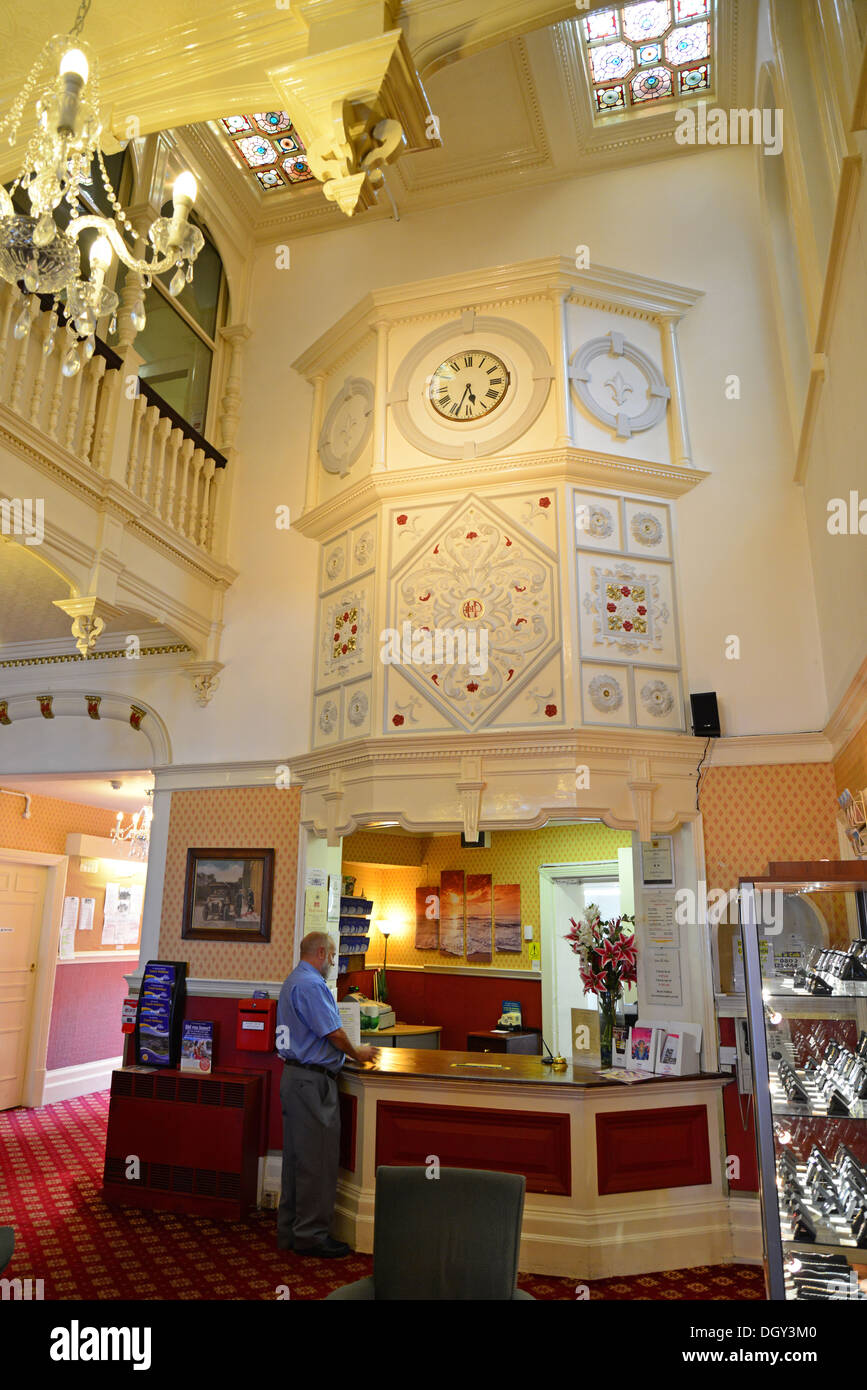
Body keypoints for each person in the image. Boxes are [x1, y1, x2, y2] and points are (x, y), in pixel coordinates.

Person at [276, 931, 379, 1257]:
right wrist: (357, 1053)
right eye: (333, 956)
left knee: (296, 1160)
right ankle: (311, 1236)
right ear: (321, 952)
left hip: (295, 1078)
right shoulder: (311, 984)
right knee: (316, 1162)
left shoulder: (293, 980)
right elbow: (333, 1033)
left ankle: (291, 1229)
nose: (333, 962)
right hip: (312, 1082)